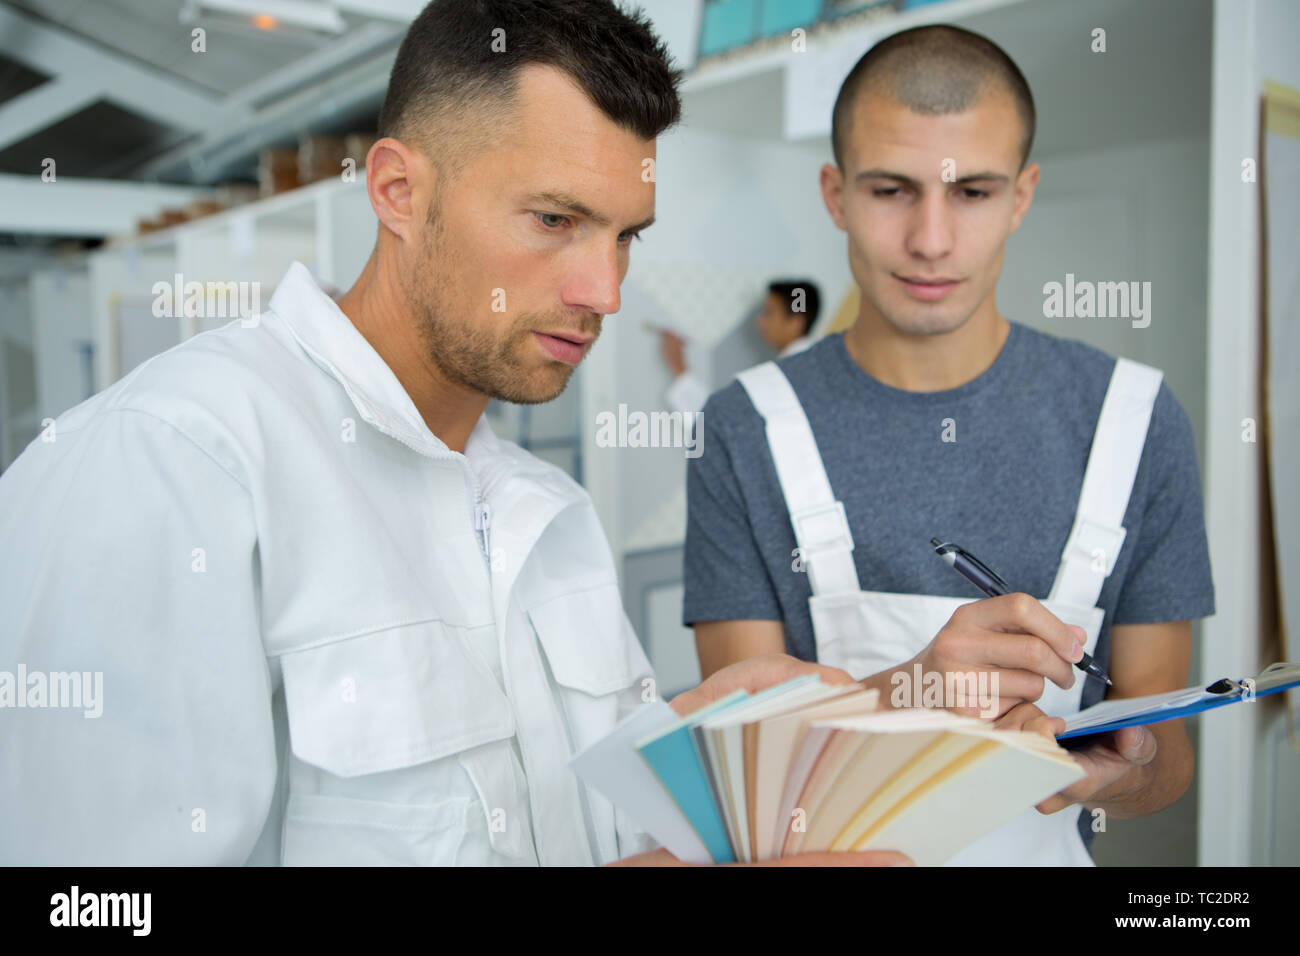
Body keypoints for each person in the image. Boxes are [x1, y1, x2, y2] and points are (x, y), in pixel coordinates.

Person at [0, 0, 913, 868]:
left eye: (626, 235)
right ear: (398, 189)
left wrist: (696, 744)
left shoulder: (550, 515)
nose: (606, 291)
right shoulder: (172, 461)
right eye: (555, 219)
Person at [683, 24, 1214, 866]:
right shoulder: (742, 427)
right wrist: (916, 690)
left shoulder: (1138, 421)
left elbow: (1170, 759)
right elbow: (741, 775)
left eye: (972, 192)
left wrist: (1122, 771)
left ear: (1023, 196)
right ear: (835, 193)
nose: (931, 240)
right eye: (892, 190)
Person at [661, 279, 821, 414]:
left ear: (796, 322)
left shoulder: (790, 374)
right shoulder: (812, 366)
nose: (760, 321)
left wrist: (679, 368)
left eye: (768, 312)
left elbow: (724, 426)